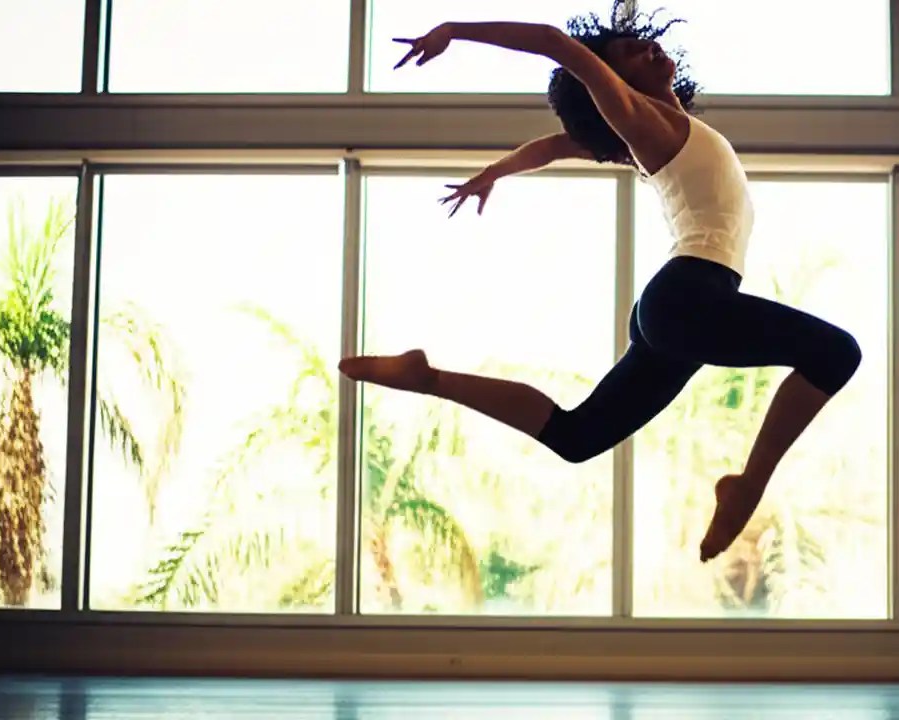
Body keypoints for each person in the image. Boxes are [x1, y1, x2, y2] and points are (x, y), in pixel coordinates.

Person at [339, 2, 862, 562]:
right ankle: (748, 485)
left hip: (676, 306)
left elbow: (553, 147)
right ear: (615, 84)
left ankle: (428, 377)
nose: (648, 49)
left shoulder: (650, 137)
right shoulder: (637, 117)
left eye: (644, 43)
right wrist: (455, 31)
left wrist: (494, 173)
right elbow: (552, 40)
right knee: (835, 352)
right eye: (629, 55)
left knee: (577, 437)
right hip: (690, 297)